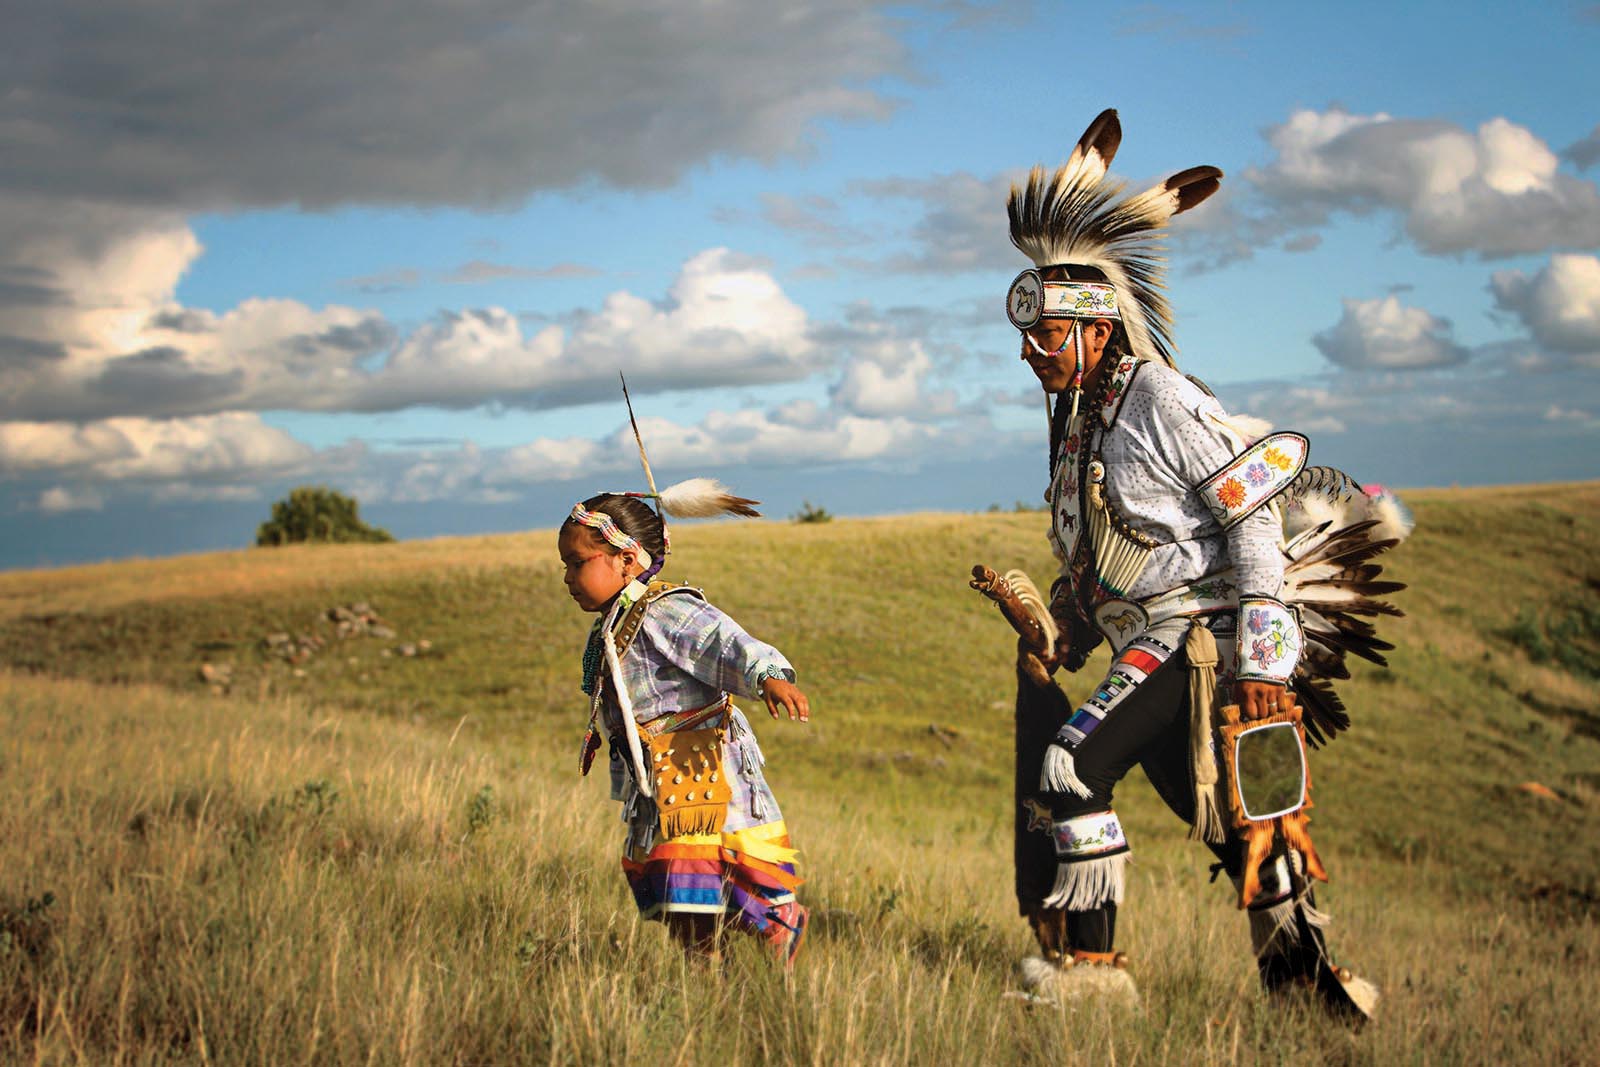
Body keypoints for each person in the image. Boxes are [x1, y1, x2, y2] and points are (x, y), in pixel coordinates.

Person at [991, 109, 1409, 1018]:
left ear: (1097, 329)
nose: (1030, 354)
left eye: (1047, 335)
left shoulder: (1160, 398)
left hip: (1199, 641)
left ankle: (1095, 983)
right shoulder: (1077, 426)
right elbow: (1101, 558)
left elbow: (1250, 513)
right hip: (1145, 641)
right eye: (1026, 337)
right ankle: (1310, 987)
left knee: (1072, 769)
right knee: (1229, 822)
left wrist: (1265, 664)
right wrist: (1058, 623)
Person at [562, 479, 810, 965]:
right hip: (659, 782)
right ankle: (704, 981)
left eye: (578, 564)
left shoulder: (667, 609)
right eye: (565, 566)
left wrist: (768, 679)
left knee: (743, 882)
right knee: (682, 897)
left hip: (706, 774)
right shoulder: (613, 622)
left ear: (627, 559)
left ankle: (782, 957)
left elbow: (725, 644)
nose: (569, 577)